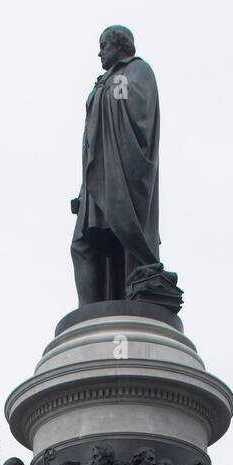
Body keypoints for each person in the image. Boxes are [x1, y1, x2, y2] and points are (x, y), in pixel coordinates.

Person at [71, 27, 162, 304]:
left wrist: (108, 96)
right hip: (95, 179)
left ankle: (131, 300)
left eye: (104, 45)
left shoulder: (137, 71)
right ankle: (89, 315)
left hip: (119, 175)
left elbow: (141, 115)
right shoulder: (103, 81)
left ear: (120, 45)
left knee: (121, 239)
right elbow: (92, 140)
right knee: (85, 244)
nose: (99, 52)